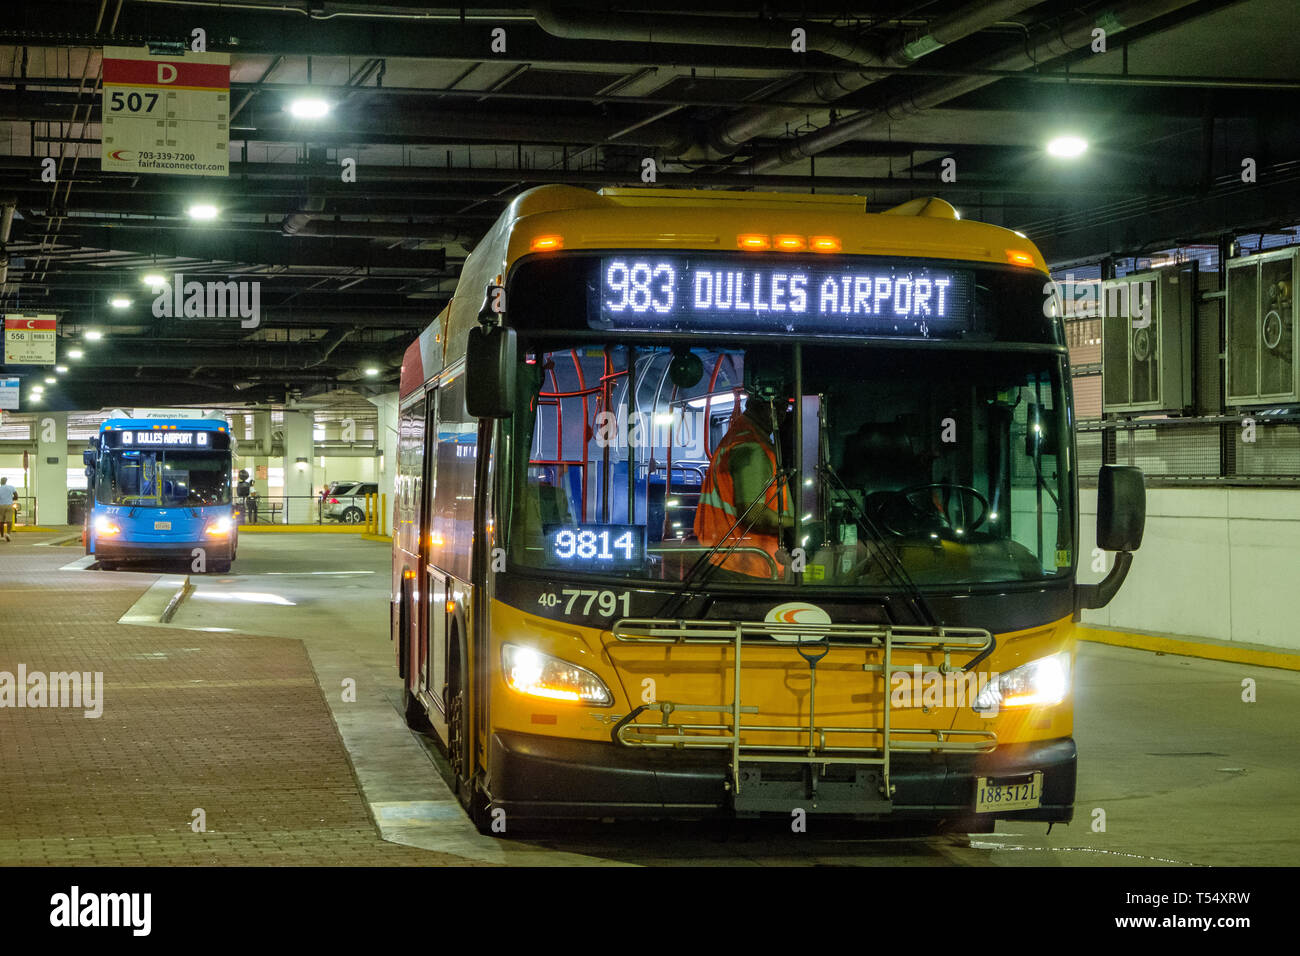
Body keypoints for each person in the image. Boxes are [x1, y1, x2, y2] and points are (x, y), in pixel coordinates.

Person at [693, 386, 793, 579]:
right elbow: (753, 514)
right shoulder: (753, 448)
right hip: (748, 564)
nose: (782, 414)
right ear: (762, 406)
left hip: (727, 556)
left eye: (784, 407)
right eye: (778, 406)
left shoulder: (737, 437)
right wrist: (797, 525)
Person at [0, 477, 15, 542]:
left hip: (1, 506)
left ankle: (2, 536)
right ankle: (8, 534)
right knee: (9, 520)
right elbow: (16, 496)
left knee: (1, 521)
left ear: (1, 482)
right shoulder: (11, 487)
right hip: (9, 505)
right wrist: (10, 499)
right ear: (6, 481)